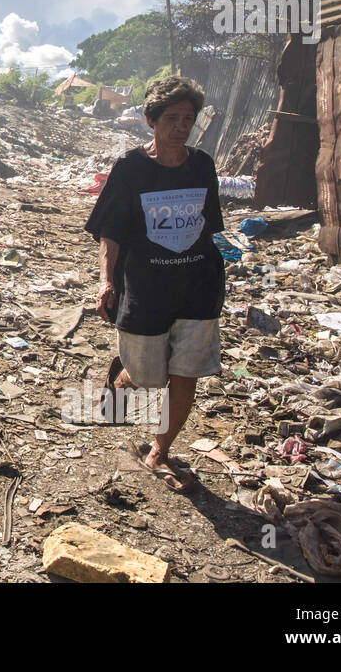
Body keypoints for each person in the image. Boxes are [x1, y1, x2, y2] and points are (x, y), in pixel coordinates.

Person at [83, 76, 225, 492]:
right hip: (145, 288)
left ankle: (159, 451)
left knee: (185, 375)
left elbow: (208, 227)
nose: (182, 127)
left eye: (189, 118)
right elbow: (110, 232)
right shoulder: (130, 169)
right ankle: (125, 376)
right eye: (172, 118)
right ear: (150, 120)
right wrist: (106, 281)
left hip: (198, 286)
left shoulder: (202, 165)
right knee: (148, 377)